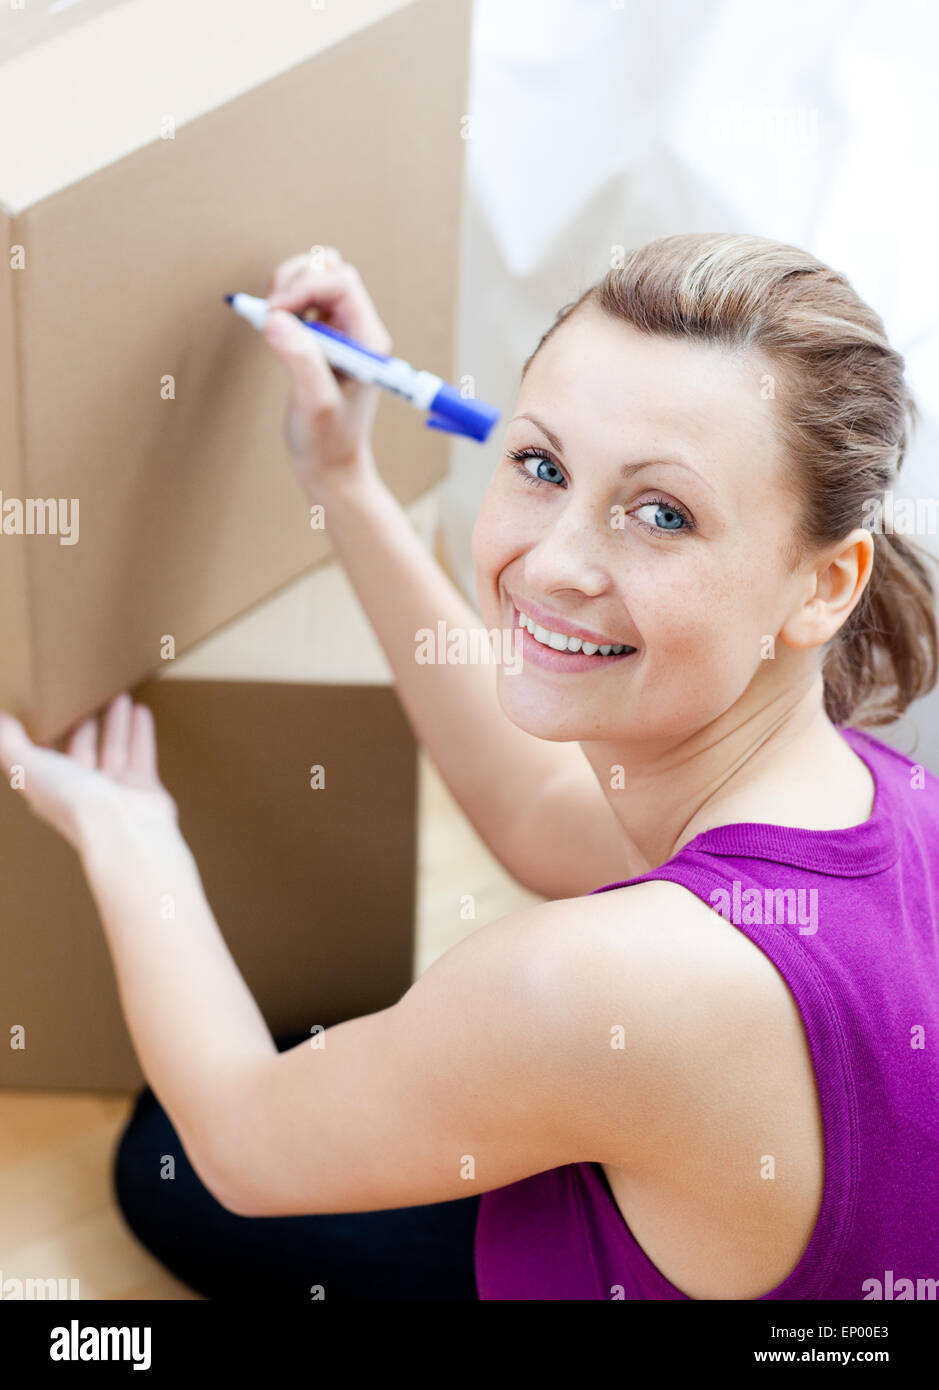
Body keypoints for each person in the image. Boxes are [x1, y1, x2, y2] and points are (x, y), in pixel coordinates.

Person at [1, 233, 938, 1301]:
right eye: (541, 465)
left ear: (824, 586)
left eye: (662, 513)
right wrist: (342, 477)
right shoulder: (873, 795)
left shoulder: (593, 985)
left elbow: (240, 1146)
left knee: (161, 1161)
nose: (551, 563)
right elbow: (541, 810)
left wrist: (134, 841)